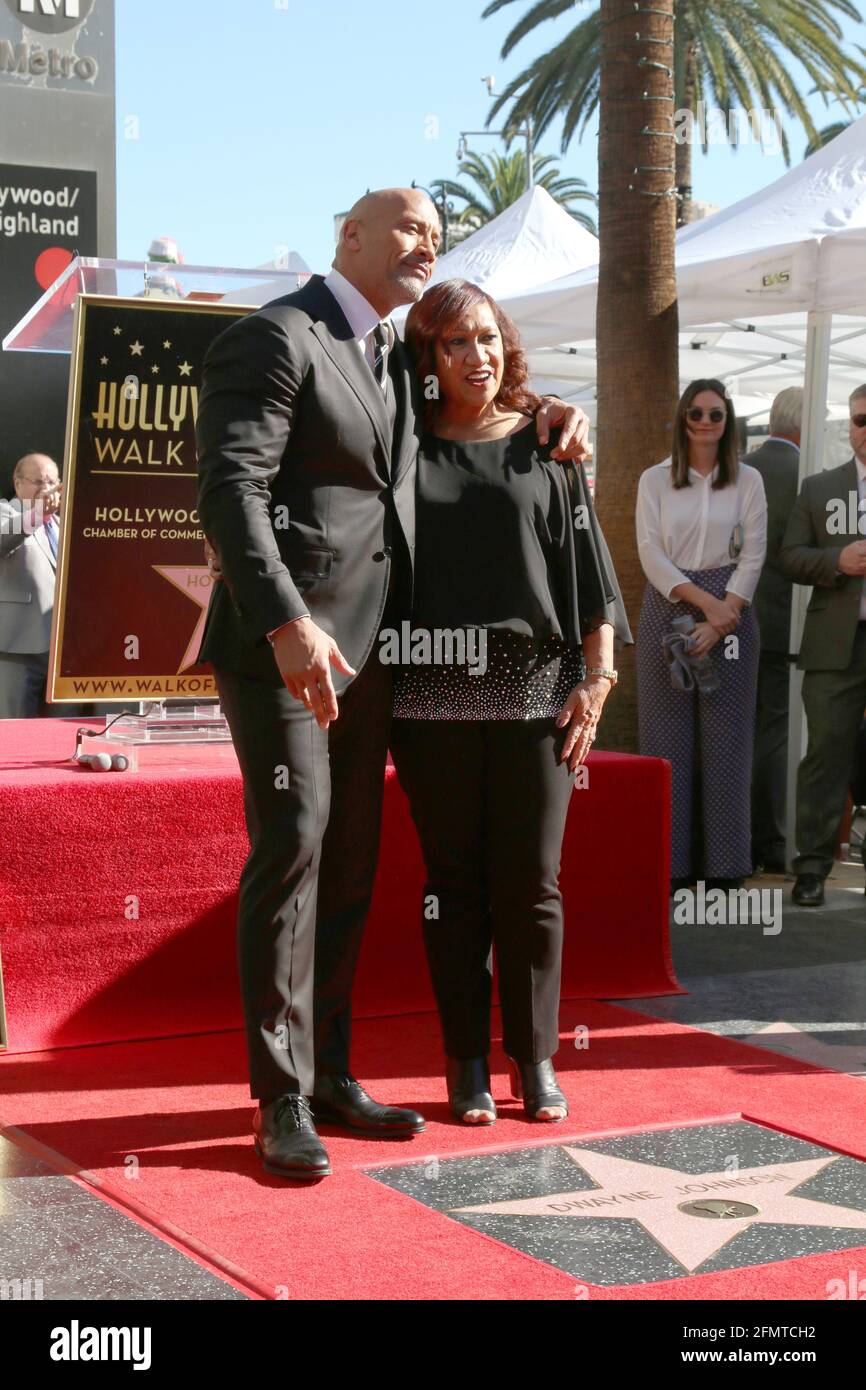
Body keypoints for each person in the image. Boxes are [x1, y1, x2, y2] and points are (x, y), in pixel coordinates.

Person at [195, 188, 590, 1180]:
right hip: (283, 651)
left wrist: (544, 412)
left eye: (435, 232)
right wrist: (286, 622)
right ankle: (278, 1096)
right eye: (408, 224)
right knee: (293, 845)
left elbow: (477, 413)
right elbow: (229, 489)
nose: (425, 241)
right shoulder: (278, 336)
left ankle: (329, 1073)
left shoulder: (392, 361)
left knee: (352, 864)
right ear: (351, 235)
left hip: (376, 659)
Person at [388, 279, 630, 1126]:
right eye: (454, 342)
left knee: (532, 886)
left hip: (537, 697)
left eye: (487, 337)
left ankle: (535, 1062)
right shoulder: (402, 446)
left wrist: (595, 684)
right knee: (452, 888)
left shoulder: (547, 447)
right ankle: (464, 1068)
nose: (476, 355)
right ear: (428, 357)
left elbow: (591, 581)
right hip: (427, 698)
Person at [636, 380, 767, 890]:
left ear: (728, 419)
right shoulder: (654, 480)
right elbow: (650, 552)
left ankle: (726, 866)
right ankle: (669, 865)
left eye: (716, 414)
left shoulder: (749, 480)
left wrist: (724, 614)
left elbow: (754, 553)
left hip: (732, 612)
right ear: (683, 419)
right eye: (697, 413)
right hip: (670, 604)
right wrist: (707, 606)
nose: (706, 422)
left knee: (728, 741)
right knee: (666, 742)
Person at [779, 384, 866, 907]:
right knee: (825, 754)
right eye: (860, 420)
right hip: (836, 642)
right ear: (849, 426)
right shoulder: (819, 488)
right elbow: (789, 557)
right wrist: (838, 561)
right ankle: (810, 868)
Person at [747, 387, 803, 874]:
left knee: (741, 730)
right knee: (775, 732)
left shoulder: (744, 468)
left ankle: (738, 839)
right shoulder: (805, 475)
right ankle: (773, 841)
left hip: (734, 618)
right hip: (785, 621)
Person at [0, 454, 62, 718]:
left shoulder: (61, 523)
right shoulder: (6, 512)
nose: (46, 489)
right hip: (17, 646)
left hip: (59, 650)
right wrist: (38, 514)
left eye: (51, 482)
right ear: (17, 483)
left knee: (57, 733)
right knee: (13, 728)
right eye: (38, 481)